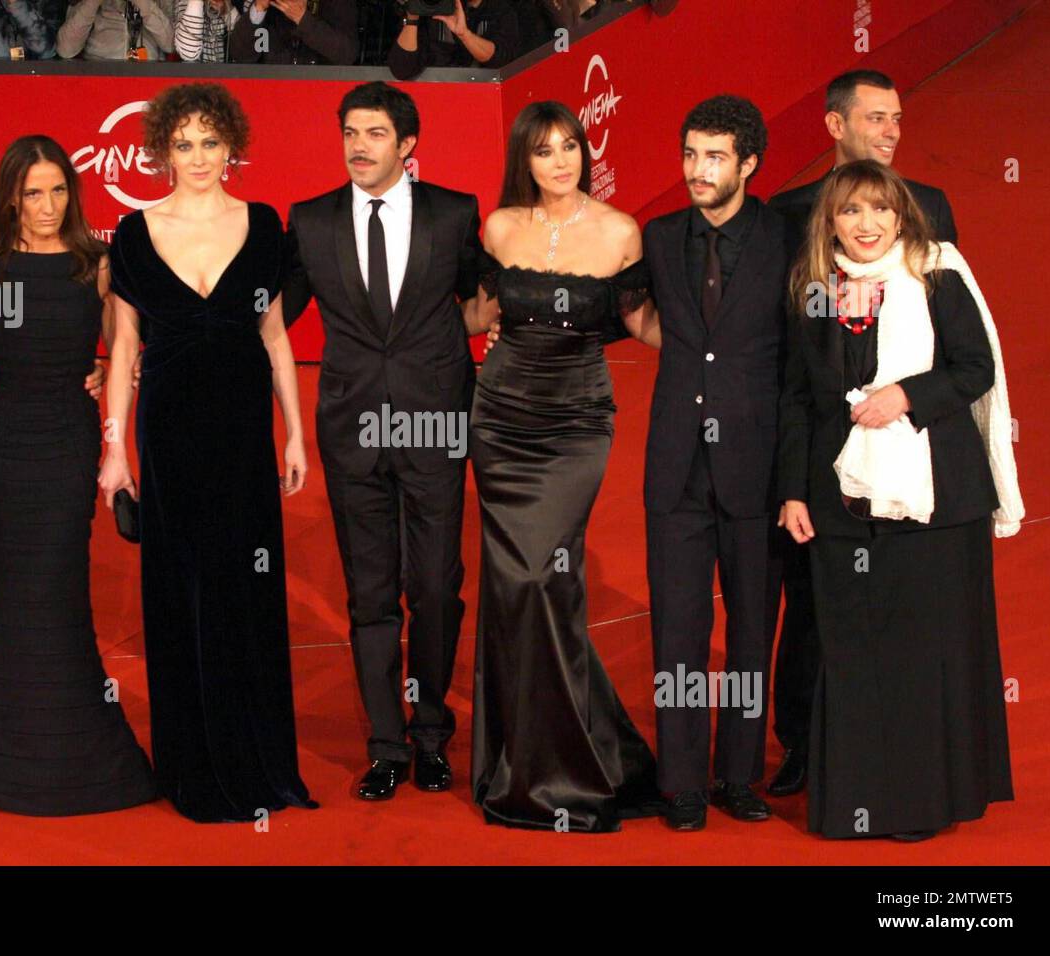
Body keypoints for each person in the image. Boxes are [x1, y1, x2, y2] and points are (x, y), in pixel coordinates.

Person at [778, 159, 1021, 840]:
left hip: (935, 504)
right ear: (830, 222)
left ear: (901, 216)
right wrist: (792, 492)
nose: (868, 224)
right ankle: (857, 807)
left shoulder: (935, 274)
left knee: (923, 654)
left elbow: (976, 367)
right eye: (851, 210)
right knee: (854, 654)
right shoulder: (814, 291)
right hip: (841, 503)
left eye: (881, 209)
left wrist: (906, 396)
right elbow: (796, 398)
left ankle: (922, 806)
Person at [99, 82, 316, 823]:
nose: (198, 157)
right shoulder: (134, 233)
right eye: (183, 144)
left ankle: (256, 757)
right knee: (179, 589)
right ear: (162, 150)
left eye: (210, 142)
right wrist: (115, 450)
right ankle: (191, 763)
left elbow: (275, 337)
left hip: (243, 431)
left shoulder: (263, 225)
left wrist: (295, 431)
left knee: (247, 590)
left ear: (233, 147)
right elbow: (123, 347)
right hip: (167, 435)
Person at [280, 81, 481, 801]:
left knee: (435, 589)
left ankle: (430, 733)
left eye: (374, 134)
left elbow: (482, 299)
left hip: (433, 427)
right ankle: (387, 746)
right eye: (350, 133)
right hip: (352, 429)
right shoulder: (311, 221)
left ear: (408, 144)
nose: (358, 147)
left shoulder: (453, 213)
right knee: (369, 596)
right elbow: (271, 316)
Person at [465, 101, 663, 832]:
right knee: (522, 587)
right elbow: (479, 317)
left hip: (576, 422)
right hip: (500, 417)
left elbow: (641, 322)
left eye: (571, 147)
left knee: (537, 576)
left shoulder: (619, 231)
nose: (560, 161)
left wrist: (722, 341)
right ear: (525, 158)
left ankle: (567, 760)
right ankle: (538, 754)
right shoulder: (499, 227)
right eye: (545, 150)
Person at [766, 68, 959, 798]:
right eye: (876, 117)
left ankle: (893, 752)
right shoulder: (789, 214)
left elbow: (950, 333)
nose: (890, 132)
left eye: (897, 118)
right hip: (822, 443)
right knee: (813, 599)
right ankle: (802, 743)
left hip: (905, 446)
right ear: (835, 125)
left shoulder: (929, 206)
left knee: (900, 600)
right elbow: (788, 346)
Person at [0, 135, 156, 816]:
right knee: (12, 592)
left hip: (69, 442)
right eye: (32, 193)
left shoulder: (95, 264)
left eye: (57, 191)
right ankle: (7, 761)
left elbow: (126, 349)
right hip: (7, 443)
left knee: (60, 586)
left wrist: (109, 370)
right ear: (10, 198)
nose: (47, 206)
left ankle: (77, 753)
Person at [640, 95, 787, 831]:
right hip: (676, 465)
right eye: (691, 154)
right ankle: (681, 783)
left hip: (757, 468)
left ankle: (738, 775)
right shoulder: (659, 237)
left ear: (748, 163)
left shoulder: (785, 240)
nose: (698, 170)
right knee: (678, 633)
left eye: (715, 157)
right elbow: (624, 310)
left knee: (752, 633)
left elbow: (803, 361)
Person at [388, 0, 519, 80]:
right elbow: (401, 70)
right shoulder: (430, 8)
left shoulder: (501, 10)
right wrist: (412, 18)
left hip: (485, 96)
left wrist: (464, 34)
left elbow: (501, 60)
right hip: (436, 93)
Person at [228, 0, 356, 65]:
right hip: (271, 91)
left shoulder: (335, 4)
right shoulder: (270, 8)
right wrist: (259, 9)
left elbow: (347, 54)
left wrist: (303, 19)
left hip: (320, 90)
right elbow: (241, 55)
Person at [56, 0, 172, 59]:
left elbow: (170, 45)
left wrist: (145, 6)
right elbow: (66, 50)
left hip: (148, 74)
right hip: (100, 73)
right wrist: (92, 3)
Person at [173, 0, 238, 61]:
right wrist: (196, 2)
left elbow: (242, 49)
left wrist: (227, 10)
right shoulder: (185, 3)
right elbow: (189, 53)